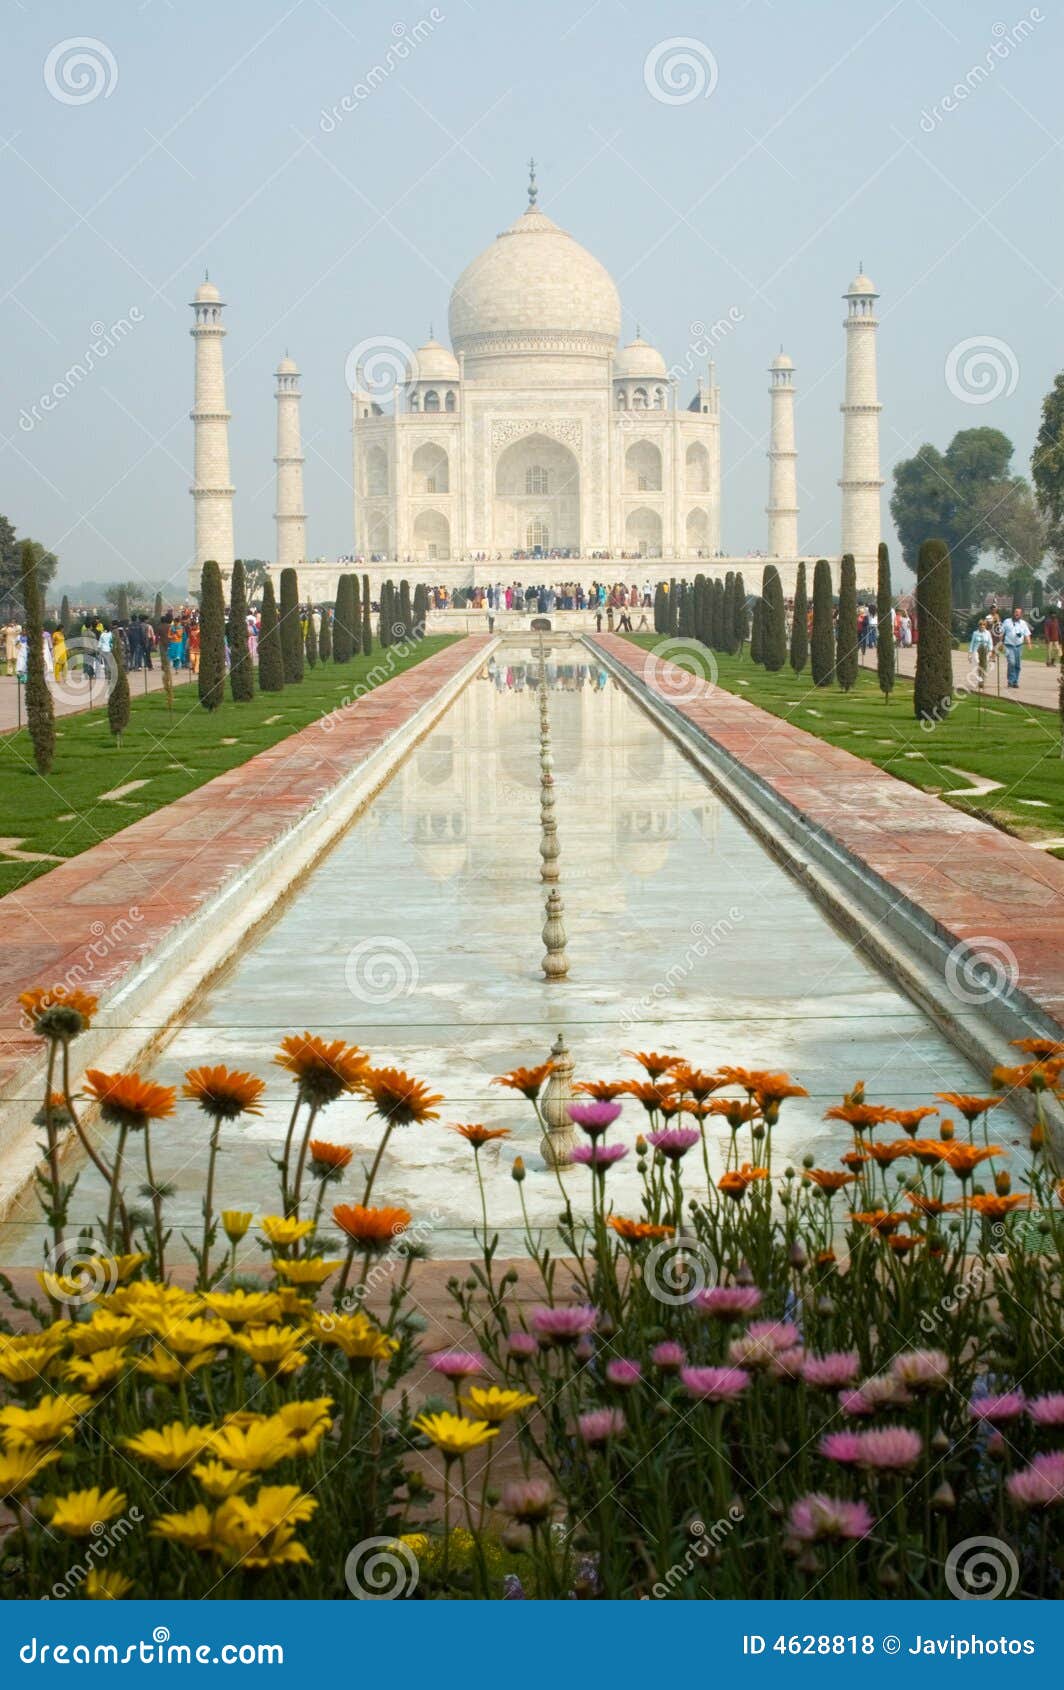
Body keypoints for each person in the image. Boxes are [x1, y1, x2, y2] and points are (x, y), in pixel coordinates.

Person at [1001, 606, 1032, 688]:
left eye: (1018, 613)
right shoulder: (1007, 621)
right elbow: (1001, 633)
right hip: (1009, 645)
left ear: (1021, 614)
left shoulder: (1023, 623)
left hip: (1019, 646)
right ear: (1013, 613)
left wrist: (1029, 644)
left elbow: (1027, 634)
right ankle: (1010, 681)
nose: (1017, 614)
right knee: (1011, 662)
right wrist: (1001, 643)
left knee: (1017, 664)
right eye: (1015, 612)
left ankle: (1015, 681)